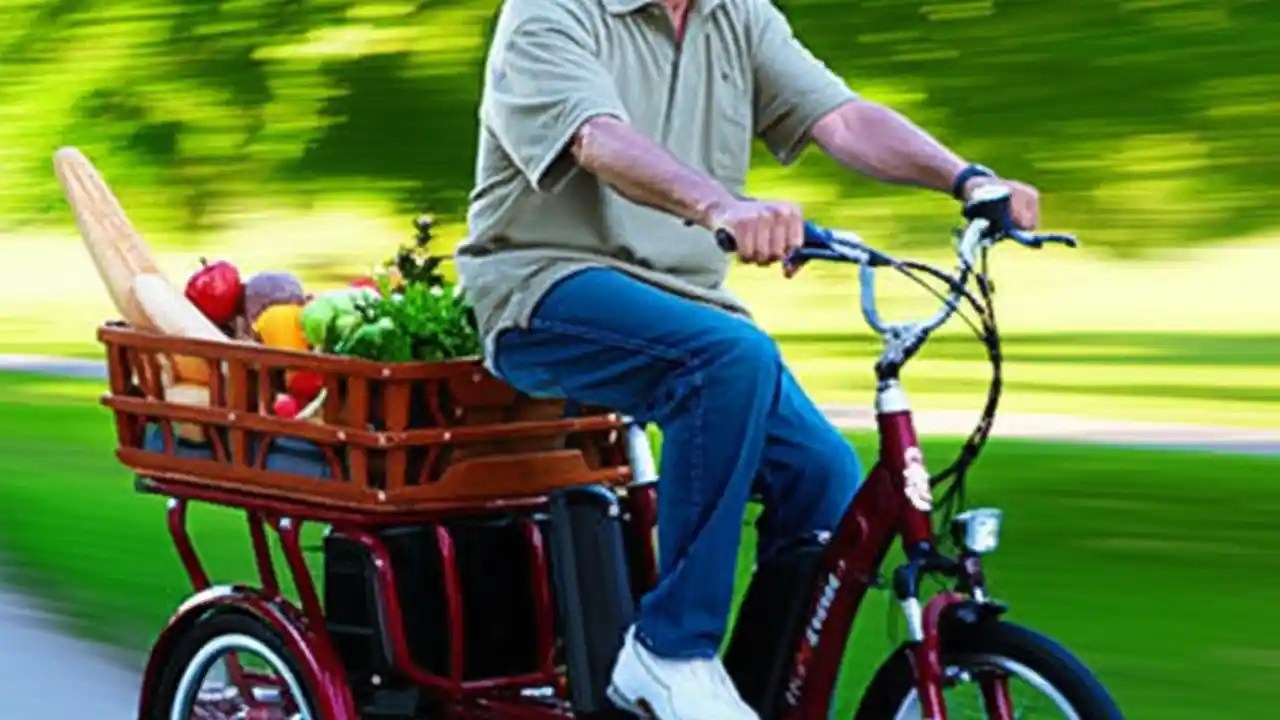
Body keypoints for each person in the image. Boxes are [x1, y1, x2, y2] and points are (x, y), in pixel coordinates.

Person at [456, 0, 1041, 716]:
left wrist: (968, 179)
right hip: (542, 288)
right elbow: (594, 137)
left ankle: (754, 697)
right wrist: (719, 207)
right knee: (730, 359)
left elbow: (843, 118)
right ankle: (669, 653)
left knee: (823, 476)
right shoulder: (552, 12)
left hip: (688, 304)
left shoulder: (736, 16)